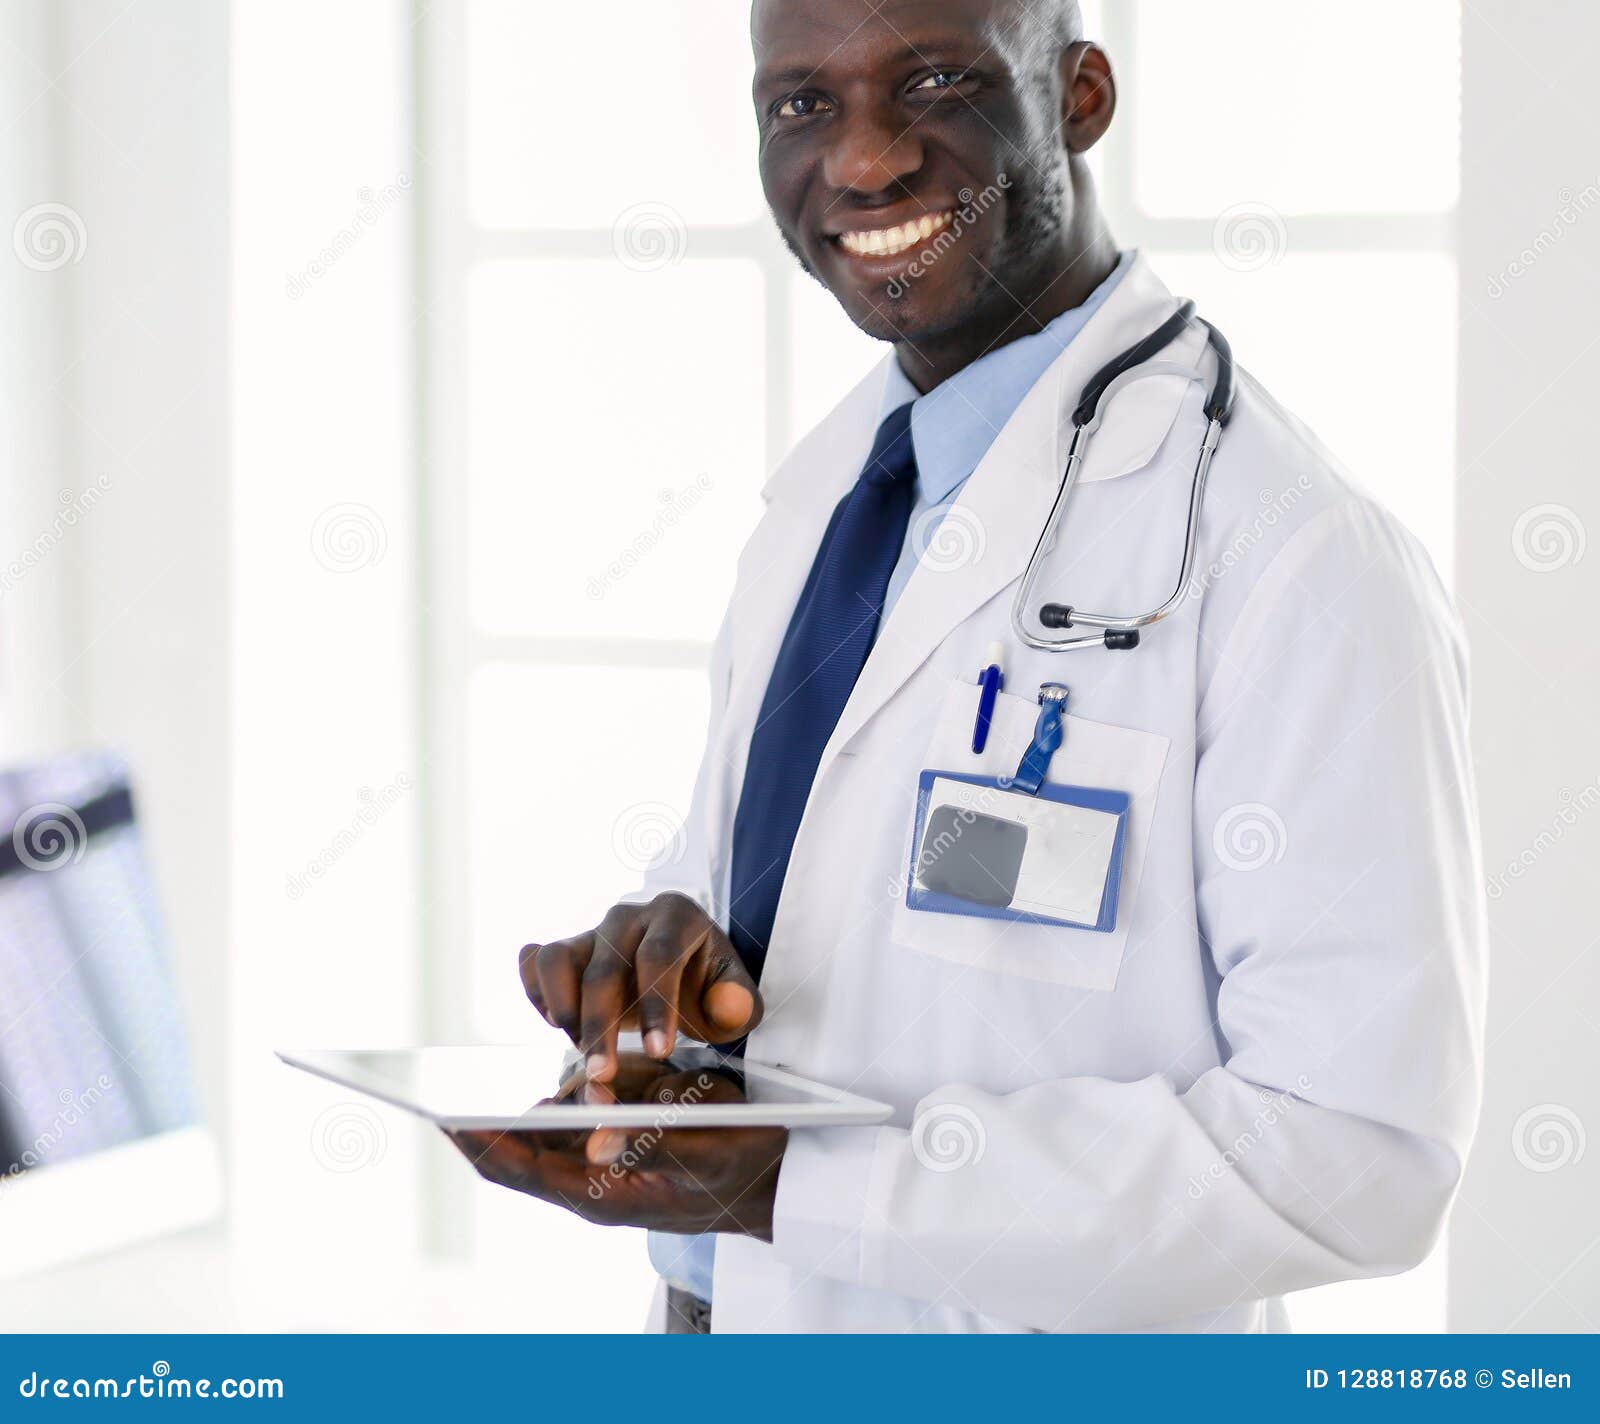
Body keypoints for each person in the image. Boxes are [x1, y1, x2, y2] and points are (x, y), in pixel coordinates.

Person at [449, 0, 1486, 1333]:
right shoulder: (832, 502)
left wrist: (798, 1184)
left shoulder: (1294, 556)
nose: (866, 163)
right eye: (800, 104)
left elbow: (1359, 1158)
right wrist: (669, 975)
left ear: (1081, 96)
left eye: (935, 83)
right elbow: (863, 913)